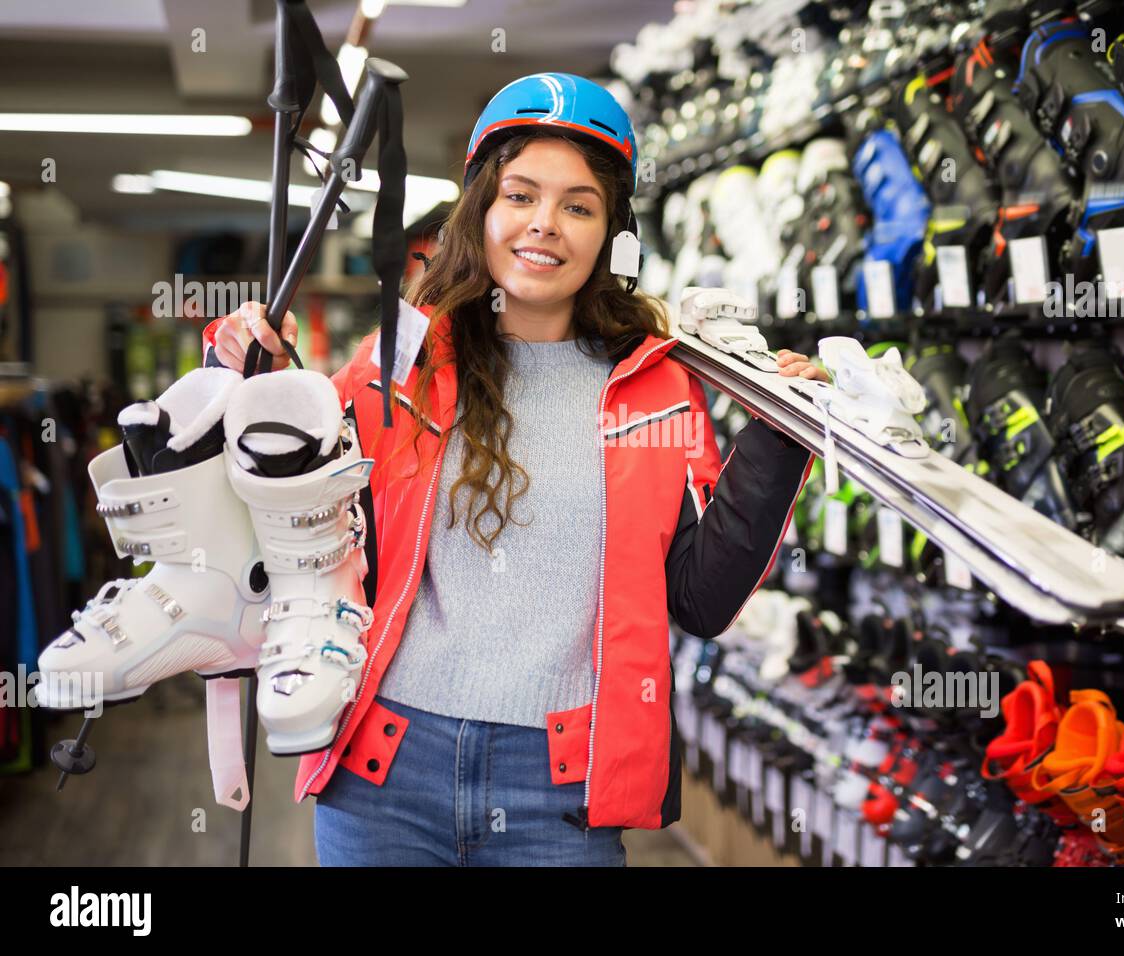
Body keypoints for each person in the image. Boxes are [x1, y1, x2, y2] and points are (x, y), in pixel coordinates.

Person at [203, 73, 826, 866]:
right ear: (481, 212)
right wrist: (258, 375)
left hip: (559, 794)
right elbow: (295, 502)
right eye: (520, 195)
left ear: (611, 235)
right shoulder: (402, 360)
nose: (544, 225)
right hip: (385, 772)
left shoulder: (655, 385)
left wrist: (778, 438)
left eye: (578, 205)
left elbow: (699, 598)